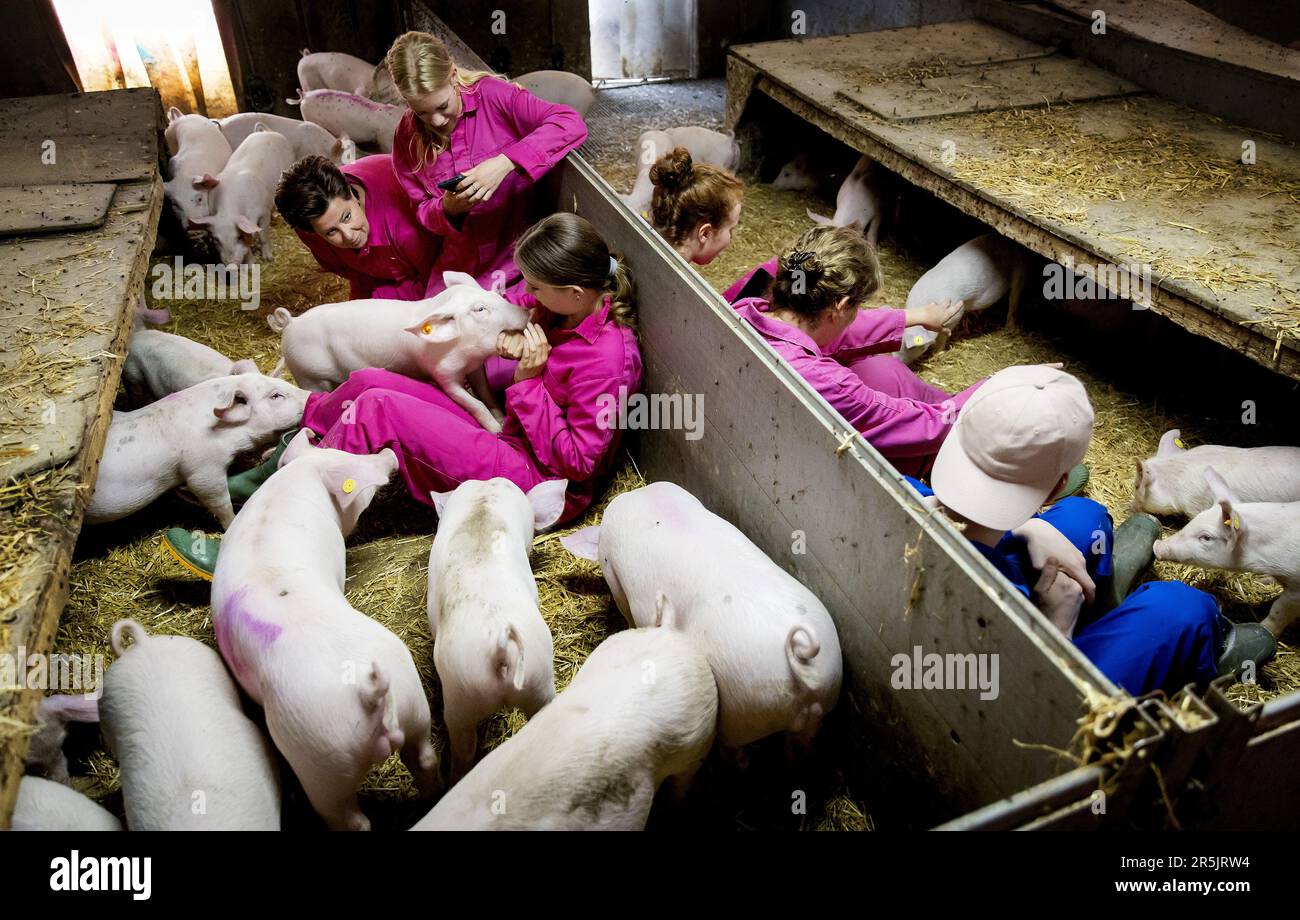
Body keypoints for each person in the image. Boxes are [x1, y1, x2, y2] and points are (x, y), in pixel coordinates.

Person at [162, 213, 641, 578]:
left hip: (538, 480)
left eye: (536, 287)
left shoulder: (607, 362)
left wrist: (529, 386)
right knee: (371, 381)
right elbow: (511, 315)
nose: (527, 298)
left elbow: (577, 465)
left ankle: (256, 542)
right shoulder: (562, 312)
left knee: (380, 409)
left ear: (576, 291)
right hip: (512, 433)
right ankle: (275, 466)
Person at [906, 364, 1270, 695]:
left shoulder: (900, 484)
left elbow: (942, 509)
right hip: (1020, 680)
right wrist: (1057, 626)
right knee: (1180, 607)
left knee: (1085, 516)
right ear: (1056, 486)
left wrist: (1030, 526)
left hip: (970, 570)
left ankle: (1099, 600)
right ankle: (1193, 652)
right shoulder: (999, 602)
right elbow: (1012, 703)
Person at [729, 225, 982, 477]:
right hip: (784, 459)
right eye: (857, 307)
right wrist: (986, 394)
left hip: (751, 422)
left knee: (882, 369)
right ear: (842, 305)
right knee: (888, 383)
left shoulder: (745, 308)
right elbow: (909, 422)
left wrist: (916, 316)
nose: (856, 314)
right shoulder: (826, 381)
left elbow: (841, 332)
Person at [385, 30, 588, 299]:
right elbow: (421, 208)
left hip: (520, 257)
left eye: (442, 105)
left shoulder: (494, 96)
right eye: (421, 112)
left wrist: (505, 162)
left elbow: (569, 123)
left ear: (453, 76)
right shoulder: (407, 135)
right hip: (460, 264)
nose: (435, 121)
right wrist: (448, 209)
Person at [275, 154, 436, 301]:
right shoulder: (309, 224)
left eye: (346, 217)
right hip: (375, 273)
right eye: (331, 231)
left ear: (351, 193)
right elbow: (355, 274)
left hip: (434, 266)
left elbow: (436, 284)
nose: (349, 236)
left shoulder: (403, 223)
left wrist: (378, 300)